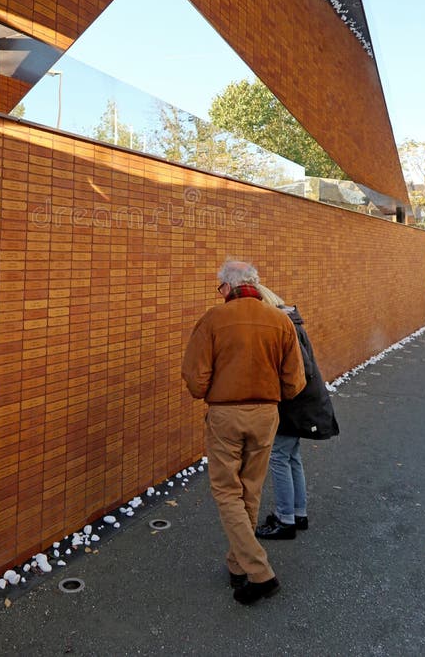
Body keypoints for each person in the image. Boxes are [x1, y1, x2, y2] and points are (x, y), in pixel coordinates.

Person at [182, 259, 306, 605]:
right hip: (266, 414)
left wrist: (208, 390)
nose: (219, 292)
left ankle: (259, 571)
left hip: (226, 414)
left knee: (226, 492)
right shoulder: (279, 320)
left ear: (228, 286)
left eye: (219, 286)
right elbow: (295, 381)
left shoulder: (213, 319)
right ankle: (237, 565)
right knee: (250, 489)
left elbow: (195, 376)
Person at [254, 284, 339, 539]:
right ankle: (297, 514)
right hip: (303, 403)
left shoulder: (283, 326)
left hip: (294, 405)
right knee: (291, 456)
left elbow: (301, 370)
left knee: (279, 456)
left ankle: (285, 519)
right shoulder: (290, 321)